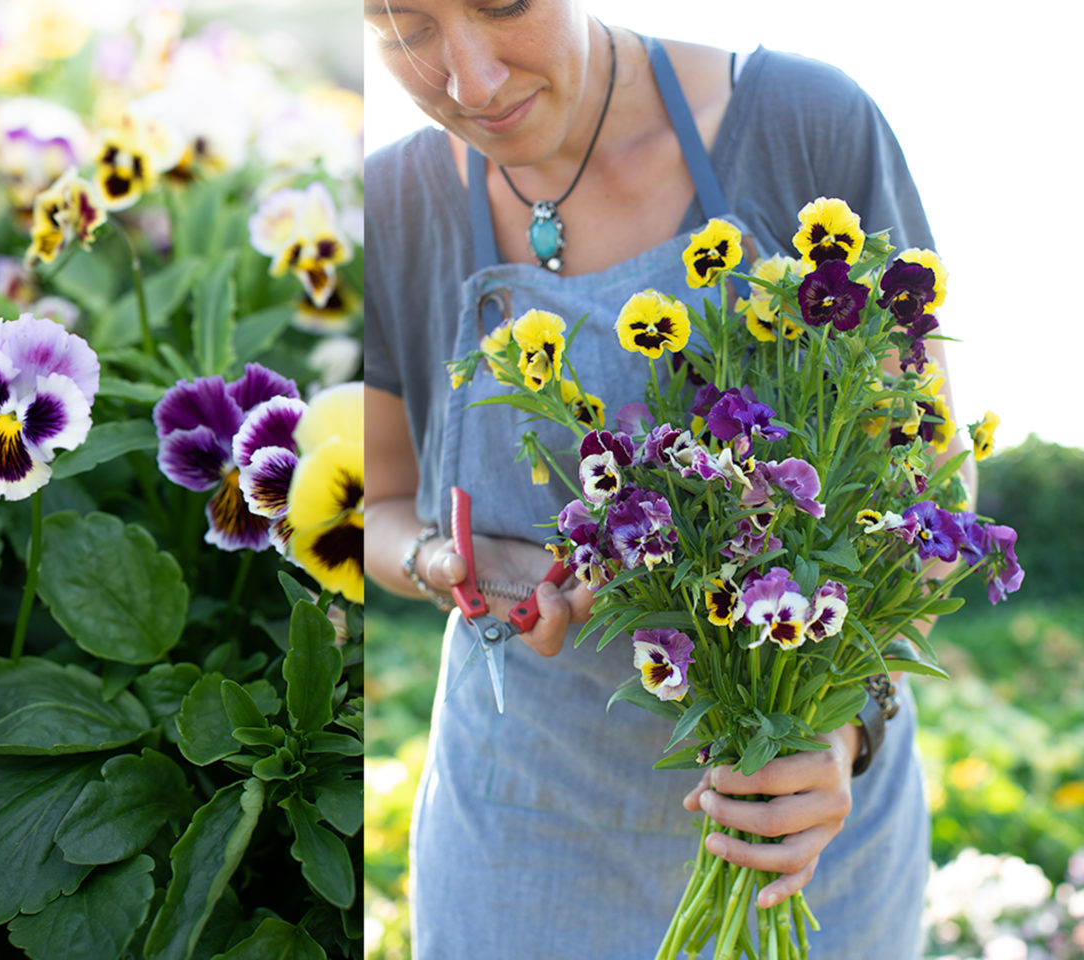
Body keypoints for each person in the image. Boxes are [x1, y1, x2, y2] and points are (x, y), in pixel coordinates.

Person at [362, 3, 971, 957]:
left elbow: (934, 484)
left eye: (502, 5)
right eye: (406, 30)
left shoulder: (802, 124)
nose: (470, 80)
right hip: (523, 833)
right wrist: (442, 561)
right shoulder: (393, 204)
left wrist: (842, 729)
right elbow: (377, 502)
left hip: (801, 830)